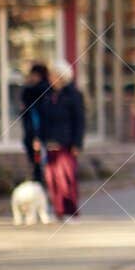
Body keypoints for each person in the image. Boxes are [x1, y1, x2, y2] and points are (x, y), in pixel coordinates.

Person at [37, 60, 85, 219]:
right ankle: (58, 209)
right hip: (49, 142)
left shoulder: (73, 95)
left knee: (66, 178)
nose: (50, 78)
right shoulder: (48, 95)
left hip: (67, 143)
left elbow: (79, 120)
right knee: (52, 178)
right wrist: (38, 138)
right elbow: (43, 119)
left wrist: (77, 143)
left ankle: (70, 208)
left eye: (54, 75)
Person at [19, 62, 50, 185]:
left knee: (38, 152)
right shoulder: (30, 90)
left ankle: (40, 174)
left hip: (38, 128)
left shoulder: (41, 90)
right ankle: (39, 173)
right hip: (31, 128)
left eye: (35, 75)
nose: (33, 77)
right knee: (35, 152)